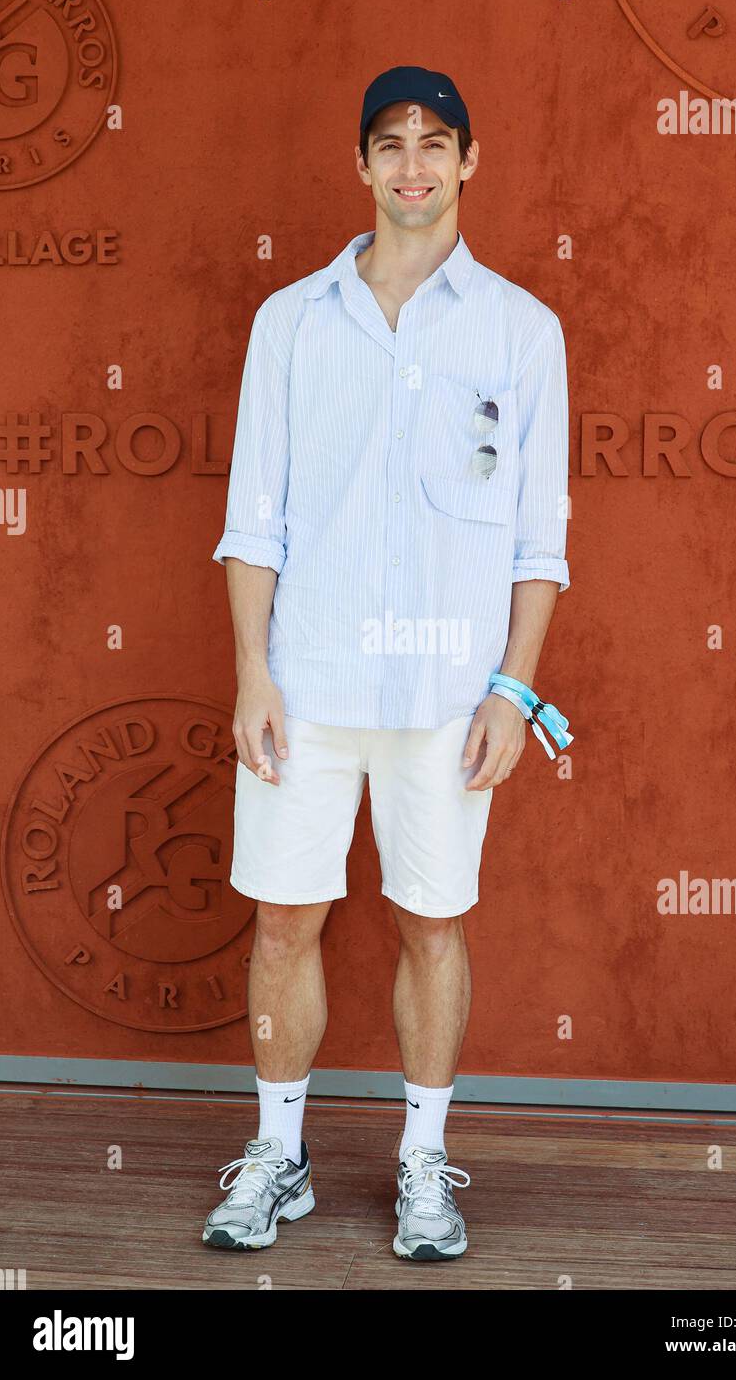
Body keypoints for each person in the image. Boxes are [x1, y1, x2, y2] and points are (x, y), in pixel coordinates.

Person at [203, 65, 570, 1262]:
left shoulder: (521, 330)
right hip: (305, 687)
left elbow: (538, 537)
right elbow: (255, 519)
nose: (413, 163)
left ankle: (422, 1164)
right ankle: (281, 1156)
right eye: (390, 143)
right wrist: (254, 674)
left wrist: (513, 688)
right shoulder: (291, 322)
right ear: (361, 166)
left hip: (449, 702)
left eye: (436, 142)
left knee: (433, 925)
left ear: (471, 161)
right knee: (282, 924)